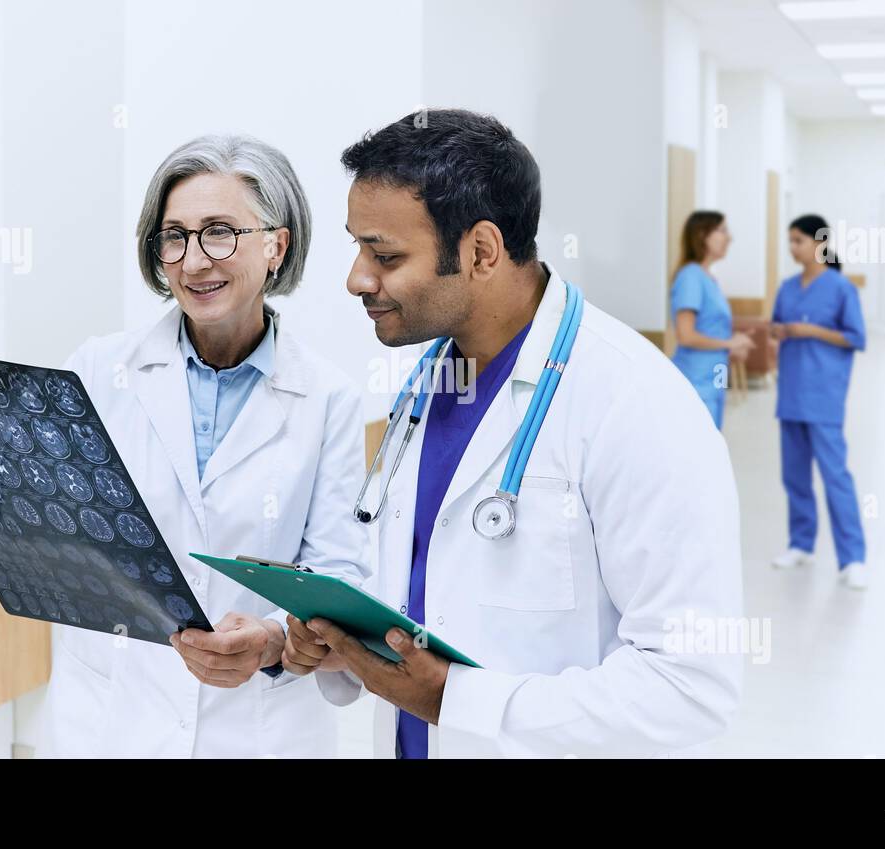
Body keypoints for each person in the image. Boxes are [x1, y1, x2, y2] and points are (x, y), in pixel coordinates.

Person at [0, 135, 369, 757]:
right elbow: (0, 520)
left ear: (277, 245)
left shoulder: (329, 399)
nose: (194, 261)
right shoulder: (99, 371)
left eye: (219, 232)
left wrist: (274, 641)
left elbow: (338, 575)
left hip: (260, 730)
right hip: (115, 724)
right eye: (175, 236)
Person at [280, 109, 743, 758]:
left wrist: (454, 699)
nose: (357, 278)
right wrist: (339, 643)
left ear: (481, 251)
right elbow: (423, 590)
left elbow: (691, 684)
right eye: (358, 247)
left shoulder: (637, 403)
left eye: (383, 254)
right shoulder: (426, 386)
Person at [769, 214, 869, 589]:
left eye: (798, 240)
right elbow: (777, 325)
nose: (792, 248)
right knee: (793, 475)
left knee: (835, 476)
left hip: (824, 394)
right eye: (790, 241)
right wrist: (780, 331)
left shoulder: (842, 289)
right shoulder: (787, 287)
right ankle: (800, 544)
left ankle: (853, 558)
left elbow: (857, 338)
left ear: (819, 242)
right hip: (791, 392)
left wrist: (810, 330)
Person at [670, 211, 755, 429]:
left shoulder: (709, 278)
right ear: (701, 235)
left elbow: (711, 330)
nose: (729, 238)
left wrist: (733, 345)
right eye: (723, 231)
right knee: (697, 454)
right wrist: (729, 343)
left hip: (714, 380)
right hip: (696, 381)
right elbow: (686, 335)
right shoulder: (690, 276)